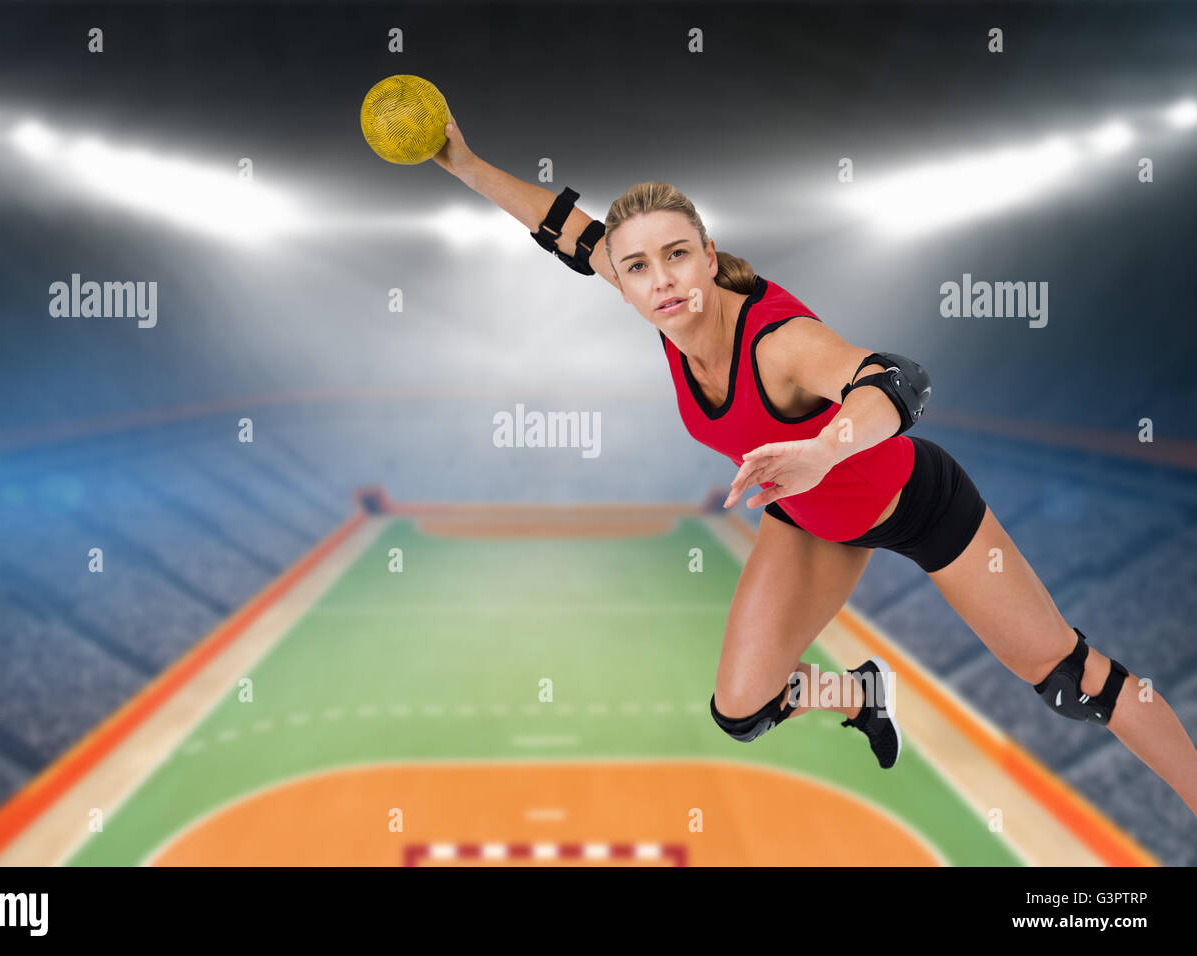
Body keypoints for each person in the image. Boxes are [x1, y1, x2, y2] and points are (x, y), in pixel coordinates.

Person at [431, 114, 1197, 816]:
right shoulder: (658, 301)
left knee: (1071, 682)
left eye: (676, 256)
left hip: (915, 503)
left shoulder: (777, 346)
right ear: (620, 281)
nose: (660, 279)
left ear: (705, 254)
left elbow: (899, 380)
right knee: (741, 709)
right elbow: (562, 226)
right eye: (636, 267)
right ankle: (860, 694)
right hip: (809, 516)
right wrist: (465, 166)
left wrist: (824, 448)